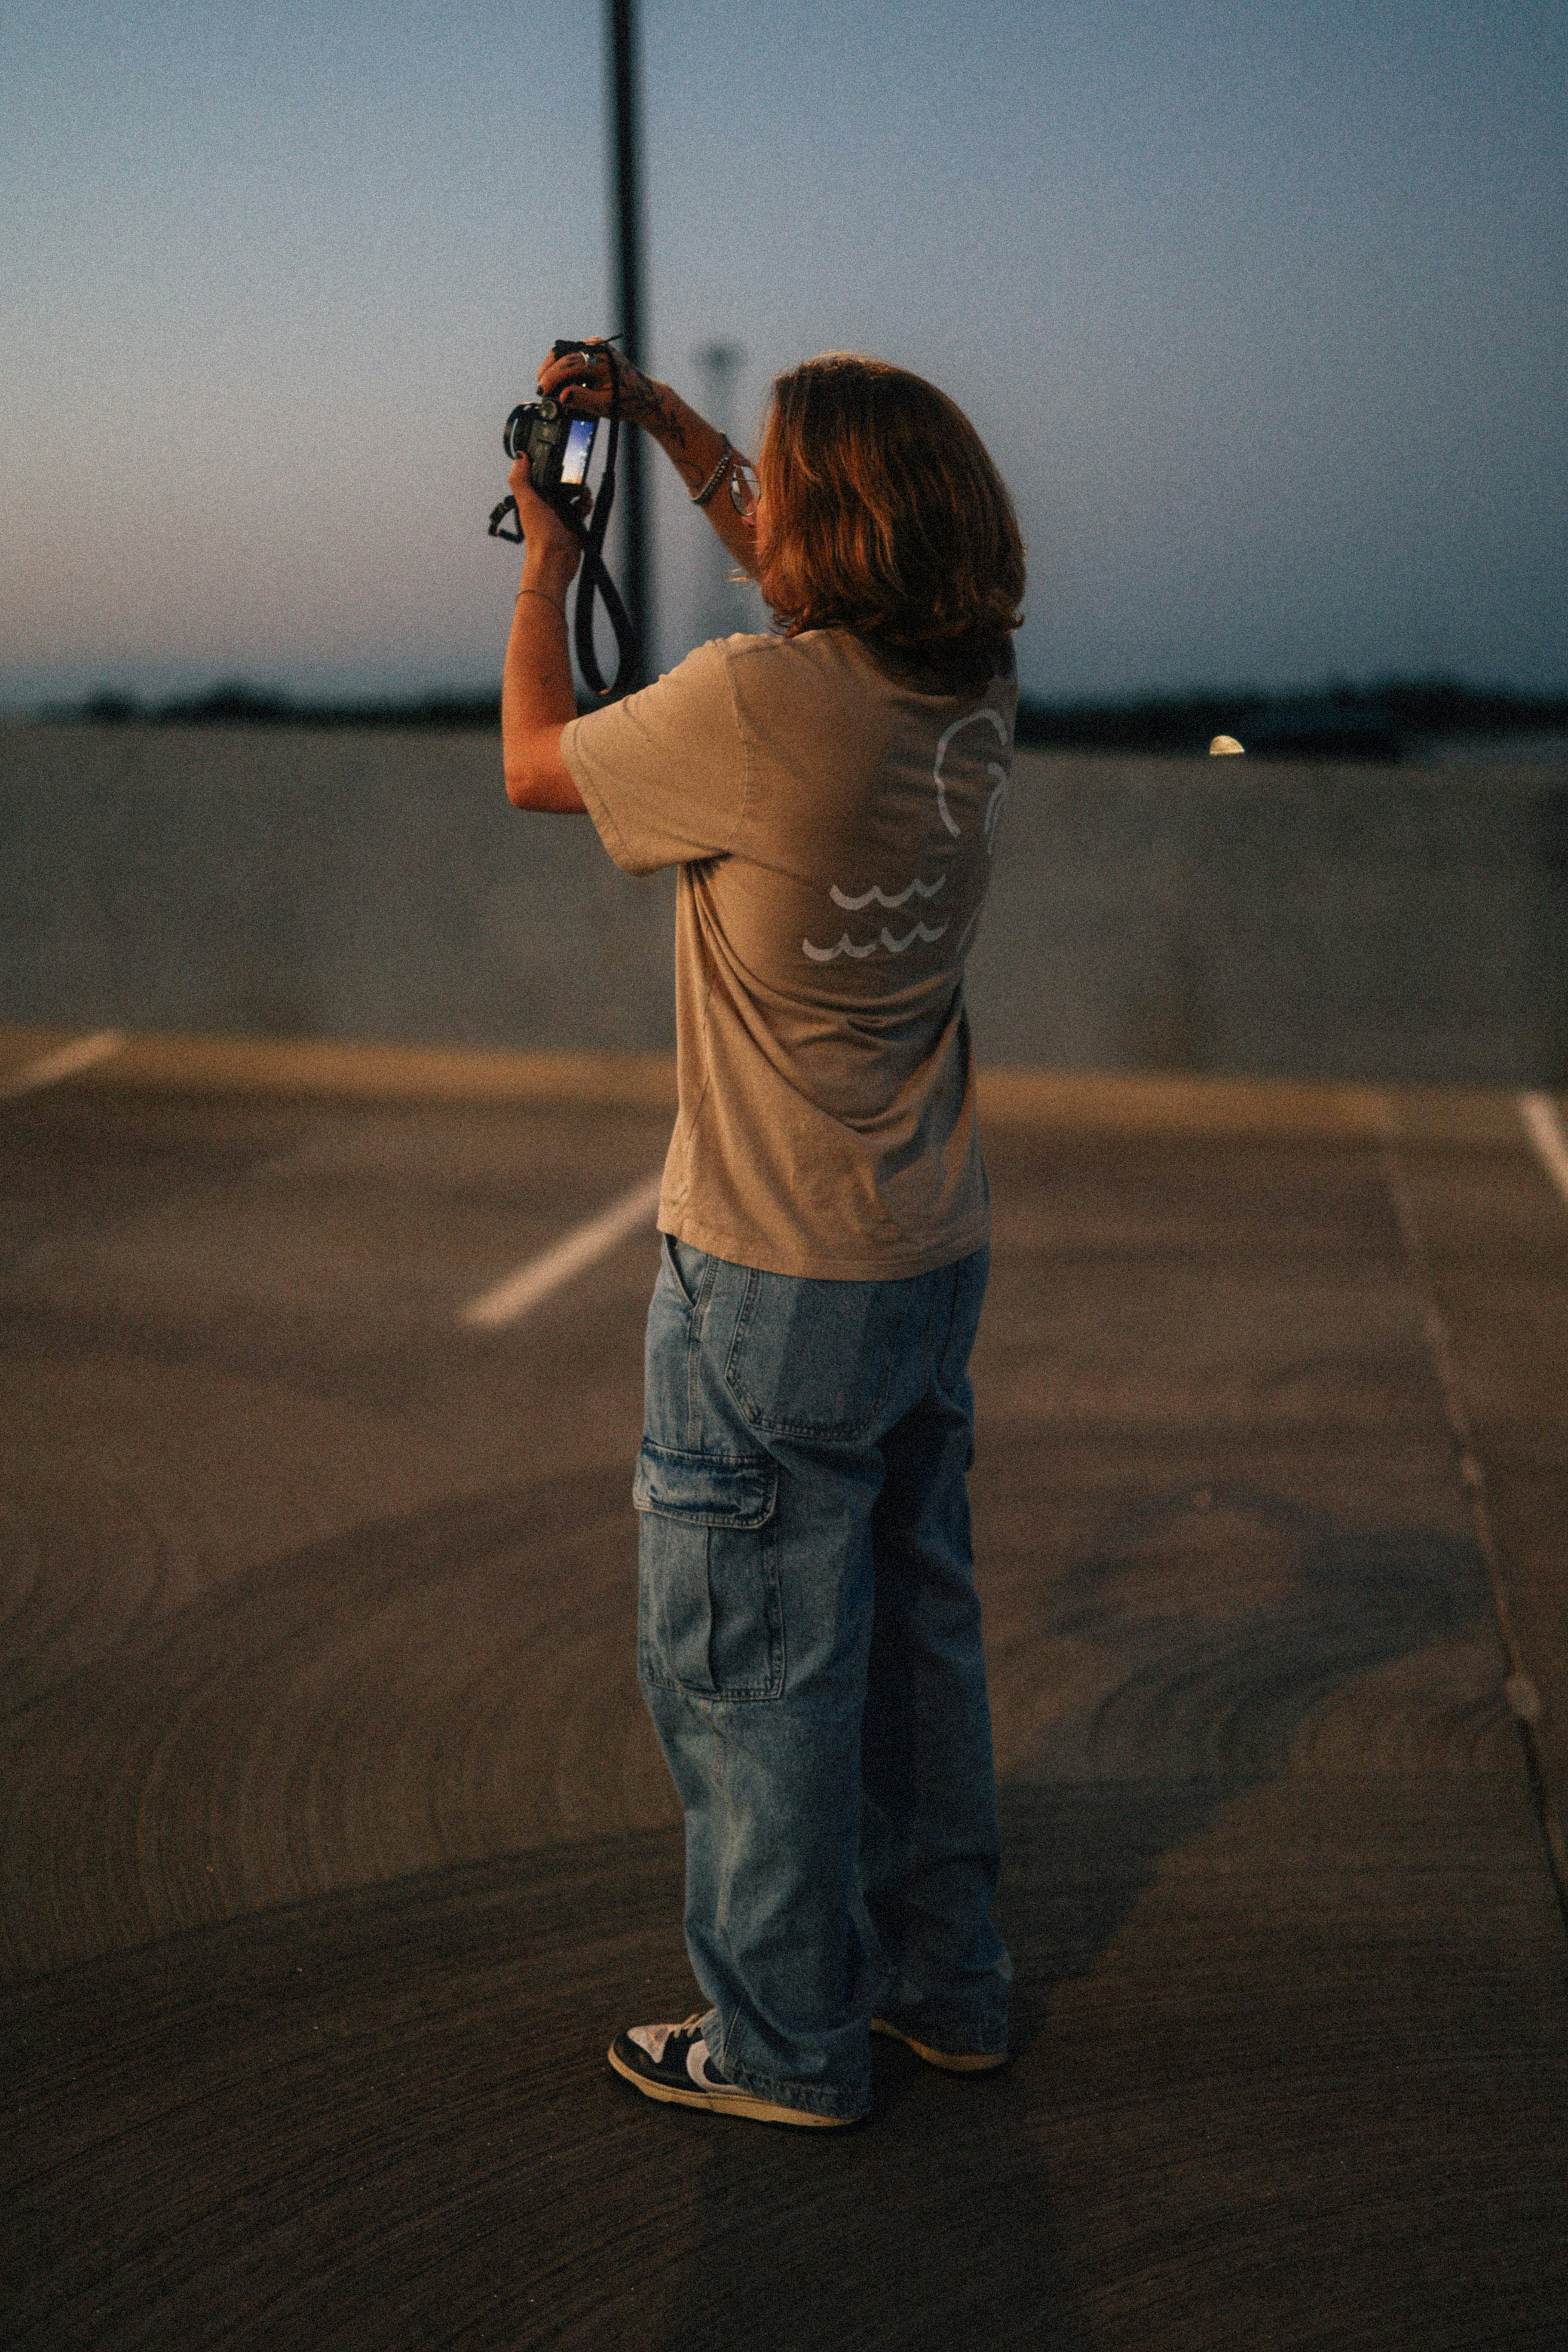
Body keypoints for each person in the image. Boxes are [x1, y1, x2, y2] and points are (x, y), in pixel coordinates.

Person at [501, 343, 1024, 2128]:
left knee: (749, 1675)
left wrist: (546, 570)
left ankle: (784, 2045)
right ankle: (951, 1988)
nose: (761, 509)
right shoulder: (973, 687)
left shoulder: (754, 705)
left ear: (836, 523)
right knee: (908, 1640)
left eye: (783, 484)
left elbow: (532, 762)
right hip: (926, 1251)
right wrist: (664, 424)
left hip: (771, 1274)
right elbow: (811, 550)